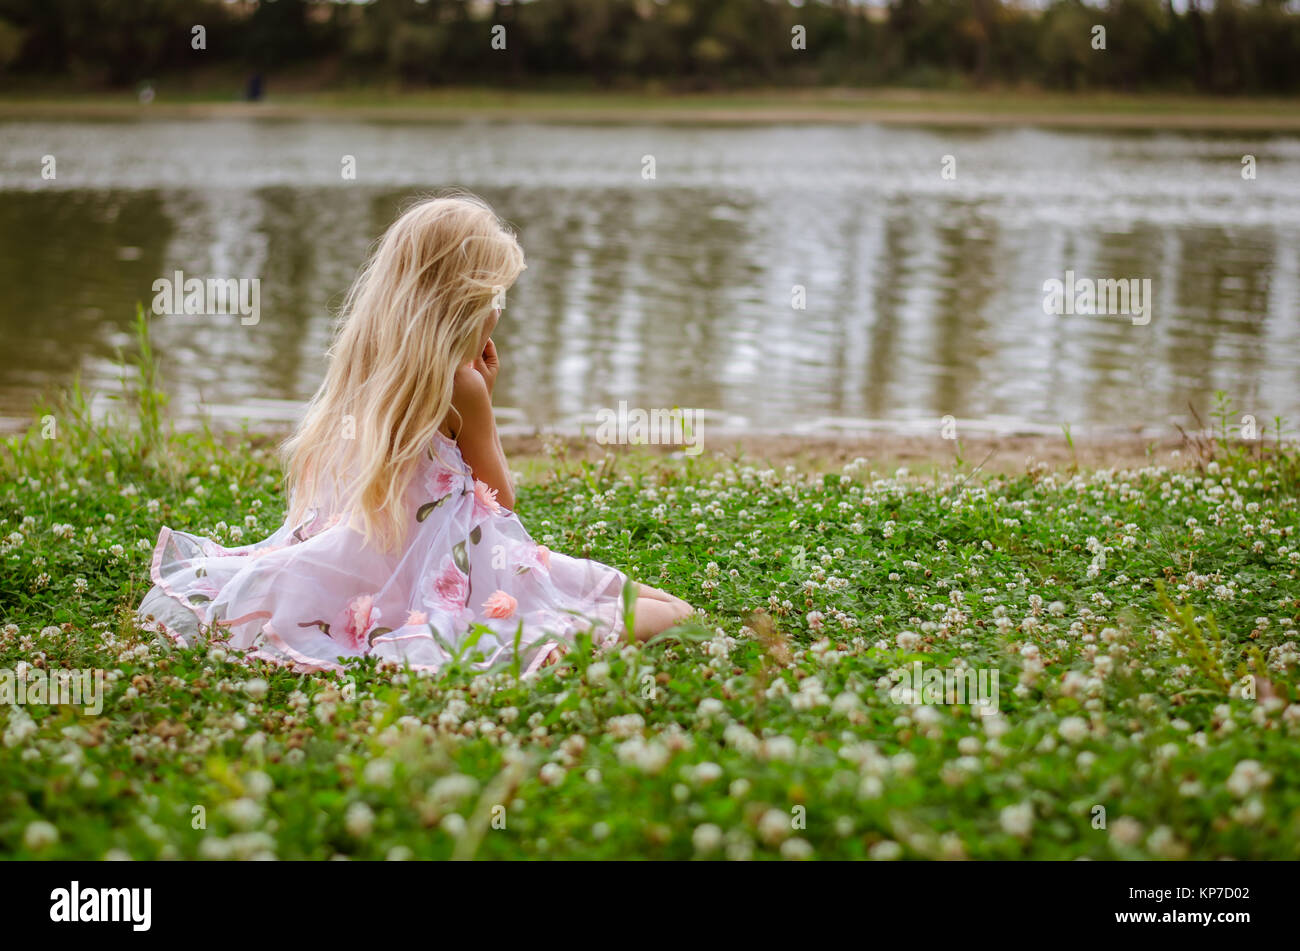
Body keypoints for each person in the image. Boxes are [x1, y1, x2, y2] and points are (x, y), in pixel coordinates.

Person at [138, 192, 693, 674]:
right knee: (672, 612)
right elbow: (499, 498)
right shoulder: (460, 384)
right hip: (463, 564)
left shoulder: (370, 365)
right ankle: (535, 643)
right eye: (496, 298)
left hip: (381, 552)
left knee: (634, 596)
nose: (499, 313)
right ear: (464, 301)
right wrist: (484, 397)